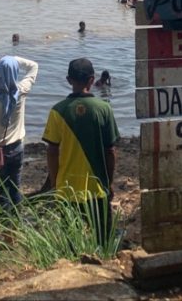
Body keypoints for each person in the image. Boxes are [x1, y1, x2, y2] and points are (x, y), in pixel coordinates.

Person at [43, 57, 120, 242]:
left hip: (67, 189)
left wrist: (55, 184)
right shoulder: (104, 109)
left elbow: (52, 152)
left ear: (69, 80)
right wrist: (109, 183)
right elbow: (110, 152)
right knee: (103, 239)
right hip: (97, 189)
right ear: (92, 80)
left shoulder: (57, 111)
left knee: (70, 242)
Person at [0, 55, 39, 212]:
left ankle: (6, 230)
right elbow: (33, 66)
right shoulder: (21, 92)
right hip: (17, 148)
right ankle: (16, 227)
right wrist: (14, 59)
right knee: (15, 188)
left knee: (0, 194)